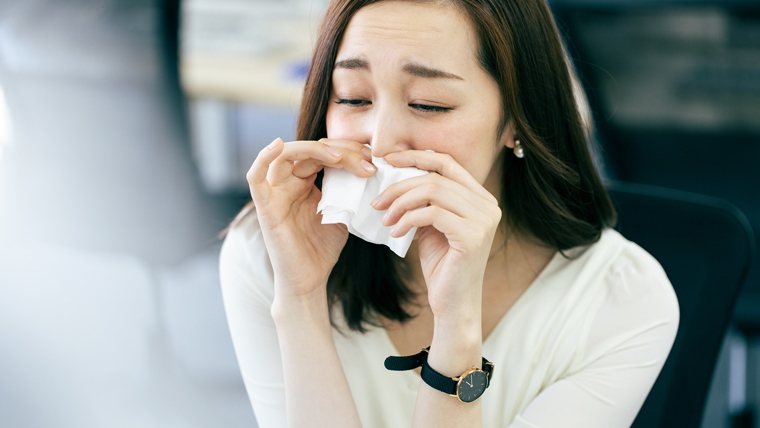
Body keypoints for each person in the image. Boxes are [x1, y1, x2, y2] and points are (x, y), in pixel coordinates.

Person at [219, 0, 680, 427]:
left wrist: (457, 323)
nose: (379, 142)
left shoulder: (622, 301)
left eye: (428, 104)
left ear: (518, 119)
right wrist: (301, 298)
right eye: (354, 97)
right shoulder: (268, 253)